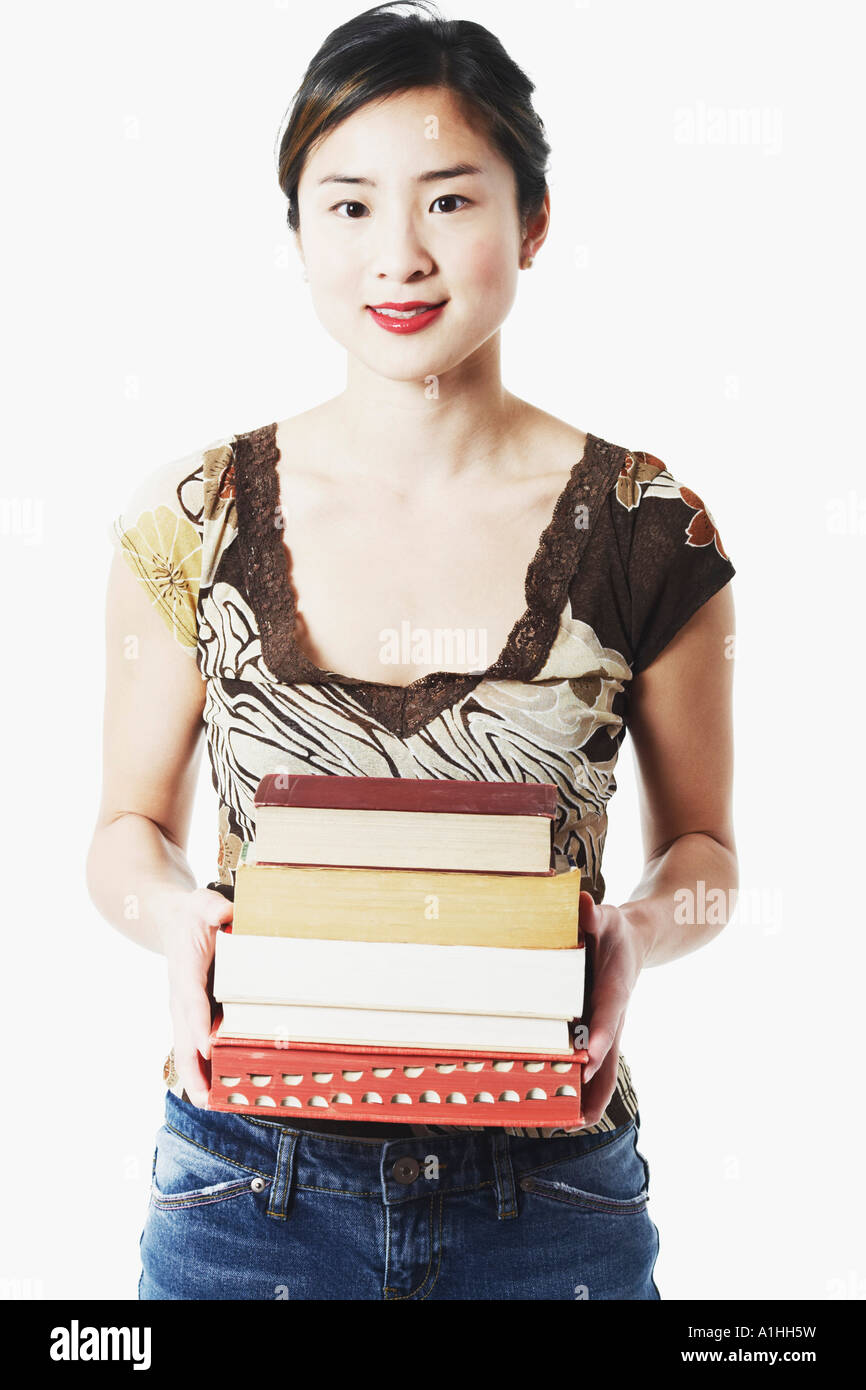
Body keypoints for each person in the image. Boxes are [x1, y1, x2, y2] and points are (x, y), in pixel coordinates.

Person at [87, 0, 737, 1301]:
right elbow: (120, 833)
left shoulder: (650, 524)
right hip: (241, 1186)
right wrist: (177, 922)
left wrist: (637, 931)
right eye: (347, 206)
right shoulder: (192, 518)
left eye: (449, 201)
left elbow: (704, 856)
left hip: (548, 1194)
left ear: (532, 222)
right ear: (296, 234)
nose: (400, 256)